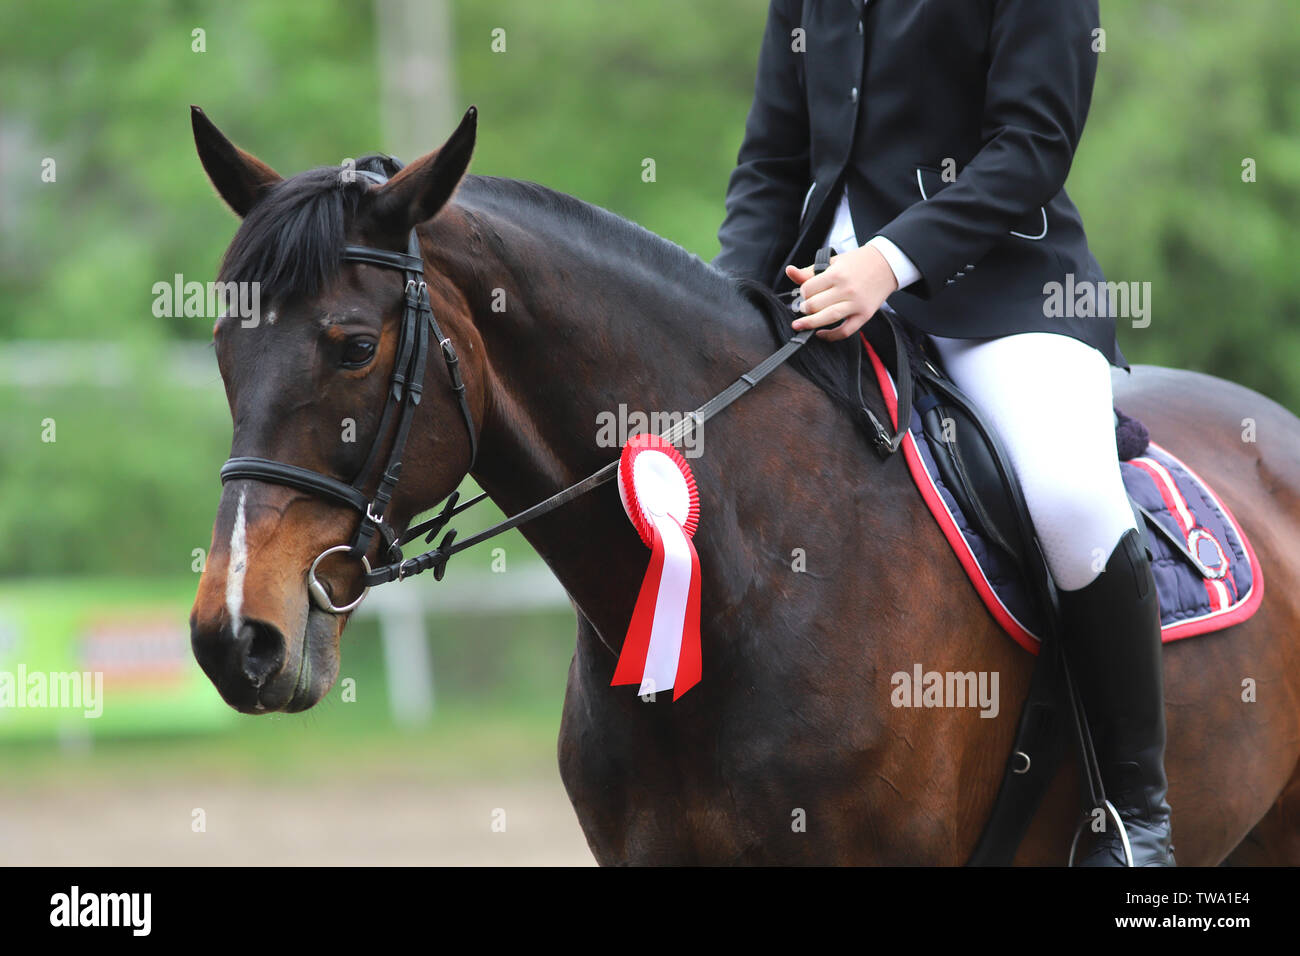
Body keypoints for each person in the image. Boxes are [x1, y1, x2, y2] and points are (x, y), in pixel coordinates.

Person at [715, 0, 1173, 866]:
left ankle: (1135, 814)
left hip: (996, 294)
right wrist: (719, 309)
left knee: (1070, 498)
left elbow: (1032, 146)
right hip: (812, 292)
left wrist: (885, 264)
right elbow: (771, 161)